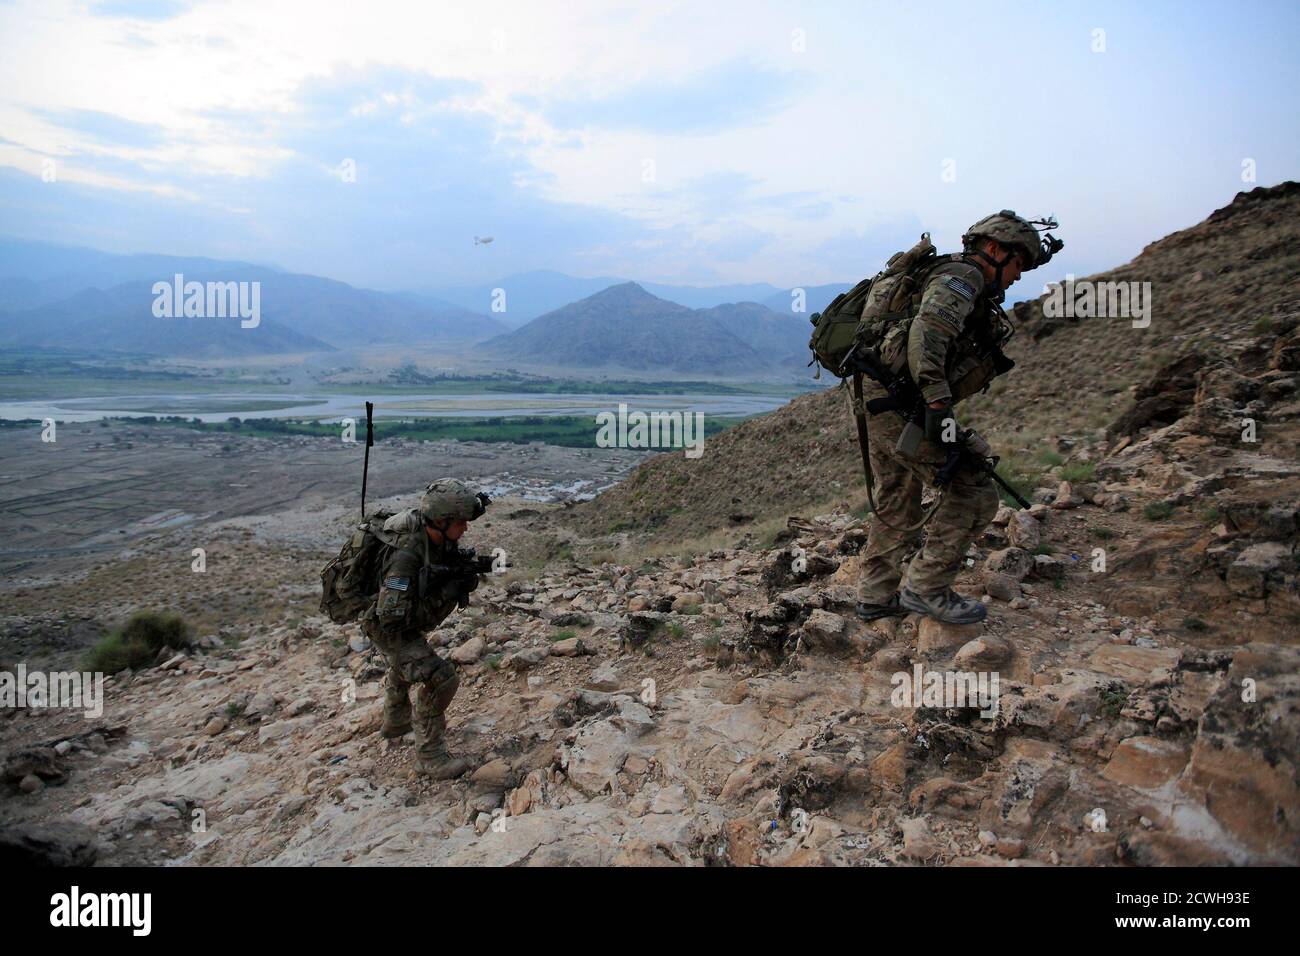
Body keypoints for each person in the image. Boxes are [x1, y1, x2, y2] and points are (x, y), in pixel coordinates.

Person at [856, 211, 1061, 624]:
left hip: (875, 396)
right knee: (973, 489)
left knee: (897, 495)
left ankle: (875, 597)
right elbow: (927, 336)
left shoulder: (946, 273)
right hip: (901, 402)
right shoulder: (963, 278)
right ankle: (926, 589)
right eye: (1018, 263)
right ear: (994, 249)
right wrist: (936, 403)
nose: (1018, 276)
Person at [361, 477, 491, 779]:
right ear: (442, 520)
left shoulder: (434, 537)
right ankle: (430, 757)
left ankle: (395, 722)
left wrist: (460, 576)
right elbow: (393, 618)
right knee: (440, 677)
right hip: (385, 624)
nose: (466, 528)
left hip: (391, 620)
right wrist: (447, 592)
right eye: (460, 522)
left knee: (404, 662)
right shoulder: (405, 558)